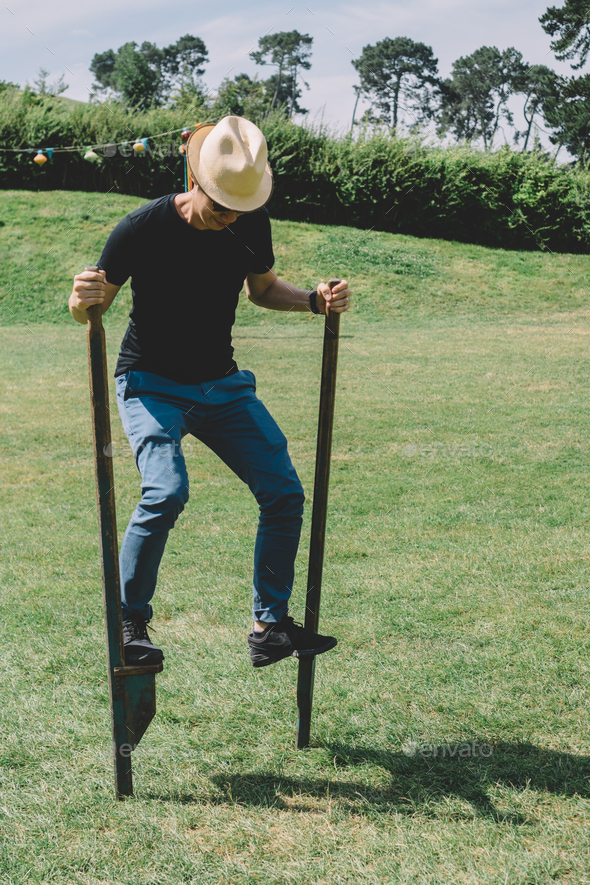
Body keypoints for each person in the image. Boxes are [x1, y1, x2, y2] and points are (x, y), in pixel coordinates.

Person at [69, 115, 351, 669]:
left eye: (240, 208)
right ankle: (129, 621)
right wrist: (80, 299)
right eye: (221, 206)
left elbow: (262, 289)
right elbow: (91, 308)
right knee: (166, 492)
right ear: (194, 179)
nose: (230, 218)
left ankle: (269, 627)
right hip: (150, 383)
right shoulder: (140, 228)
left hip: (222, 383)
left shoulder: (250, 222)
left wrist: (313, 302)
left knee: (284, 492)